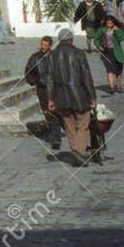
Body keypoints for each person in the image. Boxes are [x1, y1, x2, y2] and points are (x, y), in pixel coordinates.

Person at [46, 27, 99, 166]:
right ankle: (79, 151)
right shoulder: (78, 53)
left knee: (69, 125)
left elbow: (49, 79)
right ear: (71, 39)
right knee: (83, 123)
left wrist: (50, 99)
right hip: (78, 94)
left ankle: (76, 151)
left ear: (59, 40)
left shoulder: (52, 55)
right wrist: (92, 96)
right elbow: (86, 76)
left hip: (60, 96)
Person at [24, 35, 60, 148]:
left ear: (50, 46)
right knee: (47, 112)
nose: (43, 47)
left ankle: (56, 137)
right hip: (42, 89)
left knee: (55, 112)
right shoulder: (35, 57)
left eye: (45, 45)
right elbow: (28, 72)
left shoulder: (55, 56)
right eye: (42, 44)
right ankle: (53, 134)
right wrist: (35, 81)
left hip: (54, 88)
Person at [97, 15, 124, 95]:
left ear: (113, 23)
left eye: (110, 23)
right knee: (109, 70)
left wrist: (117, 31)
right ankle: (112, 87)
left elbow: (121, 38)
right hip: (106, 52)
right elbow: (96, 40)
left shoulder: (118, 29)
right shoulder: (101, 30)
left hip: (117, 52)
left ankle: (119, 86)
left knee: (118, 71)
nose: (109, 25)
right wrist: (99, 46)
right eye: (108, 23)